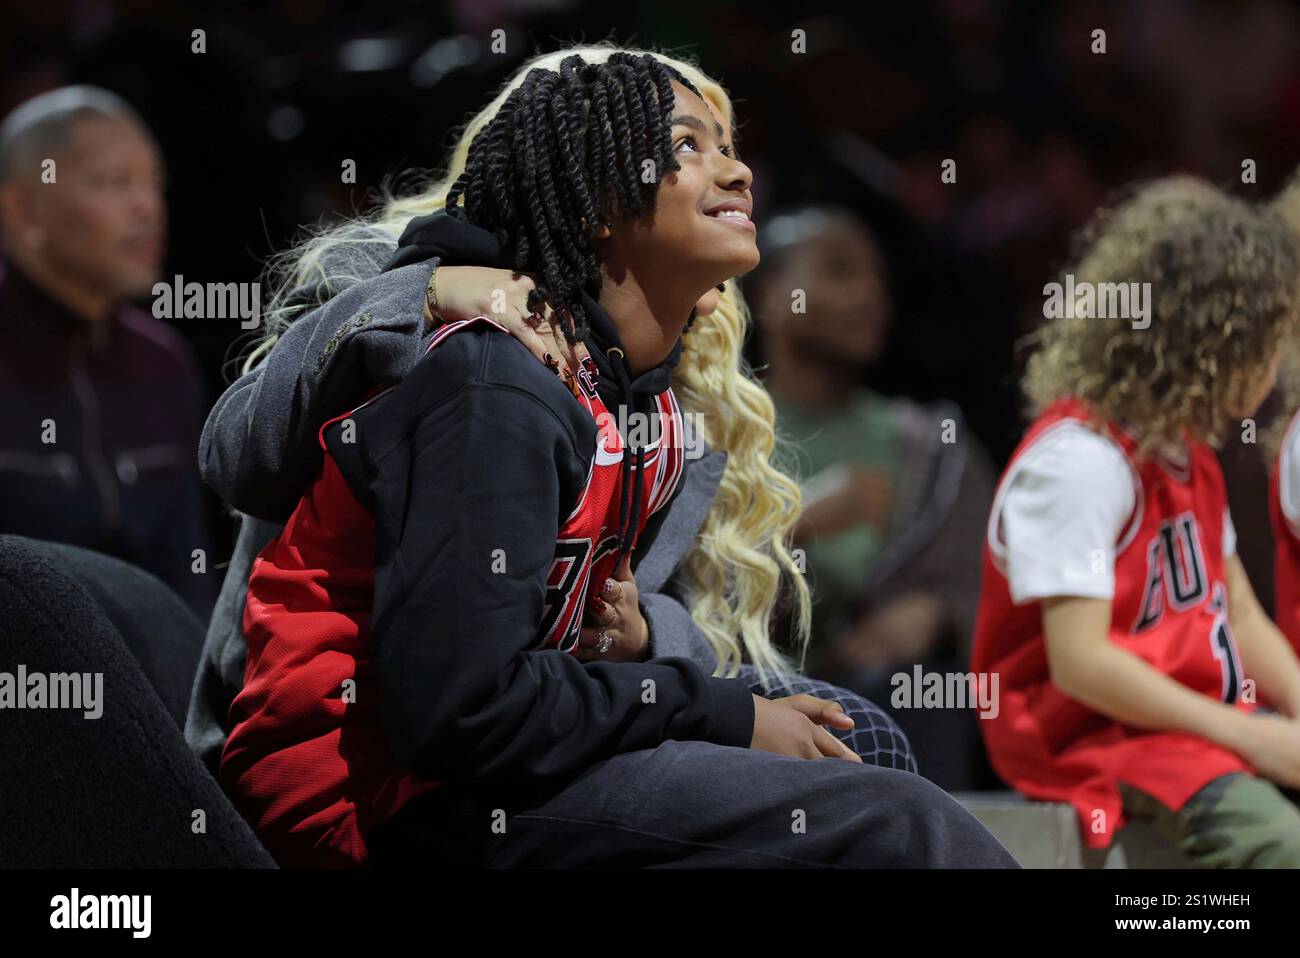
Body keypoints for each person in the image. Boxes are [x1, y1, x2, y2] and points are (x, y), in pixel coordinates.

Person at [189, 45, 1016, 869]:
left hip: (500, 749)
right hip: (381, 799)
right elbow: (459, 709)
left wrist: (654, 643)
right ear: (594, 192)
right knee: (900, 827)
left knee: (861, 746)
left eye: (729, 146)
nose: (737, 173)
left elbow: (600, 642)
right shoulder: (486, 368)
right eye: (689, 146)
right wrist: (721, 714)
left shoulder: (643, 390)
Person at [973, 175, 1300, 867]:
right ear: (1213, 345)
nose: (1277, 369)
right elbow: (1083, 665)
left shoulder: (1188, 453)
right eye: (1270, 345)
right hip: (1098, 737)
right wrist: (1251, 738)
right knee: (1281, 843)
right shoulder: (1080, 463)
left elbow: (1237, 611)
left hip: (1187, 730)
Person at [746, 204, 997, 788]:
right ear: (769, 294)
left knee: (921, 689)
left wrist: (939, 615)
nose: (869, 294)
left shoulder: (932, 446)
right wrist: (799, 520)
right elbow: (684, 581)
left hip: (893, 702)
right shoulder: (723, 428)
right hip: (755, 700)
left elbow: (1001, 590)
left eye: (878, 280)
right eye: (838, 271)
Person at [0, 85, 214, 616]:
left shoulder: (164, 363)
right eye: (113, 182)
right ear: (23, 209)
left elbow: (190, 579)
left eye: (153, 184)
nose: (147, 207)